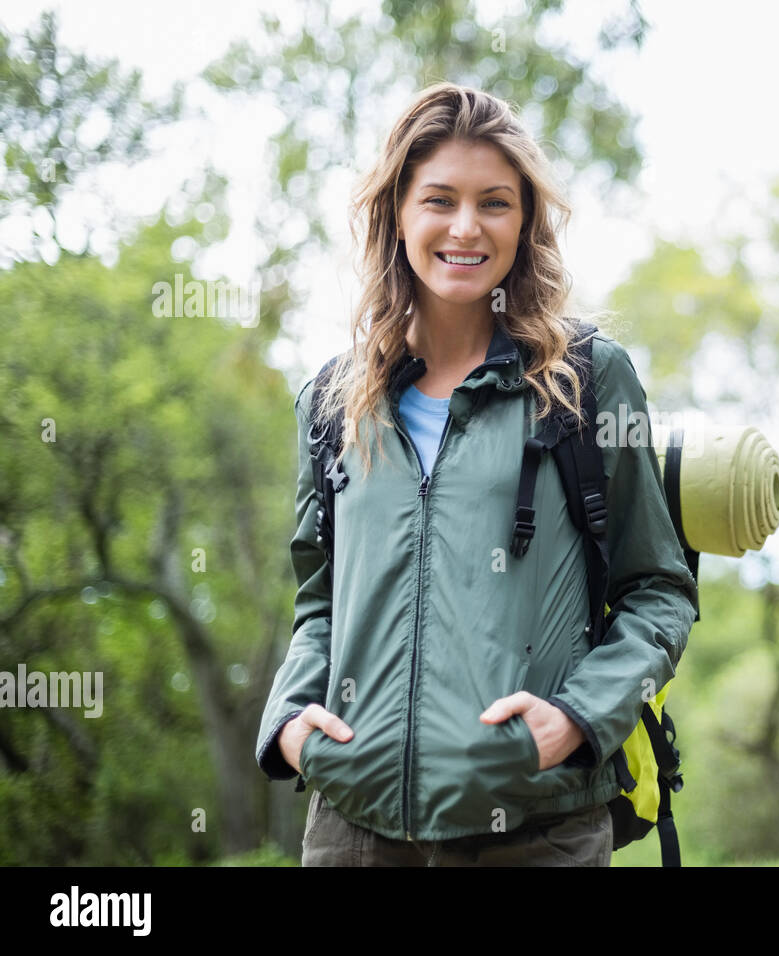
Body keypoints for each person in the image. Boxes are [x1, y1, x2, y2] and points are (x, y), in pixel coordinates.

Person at [253, 82, 699, 866]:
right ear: (397, 214)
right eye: (439, 200)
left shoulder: (584, 379)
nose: (466, 227)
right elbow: (319, 602)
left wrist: (577, 717)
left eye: (495, 202)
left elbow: (657, 590)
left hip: (532, 827)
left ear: (525, 222)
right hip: (351, 829)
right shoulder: (331, 402)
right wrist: (290, 723)